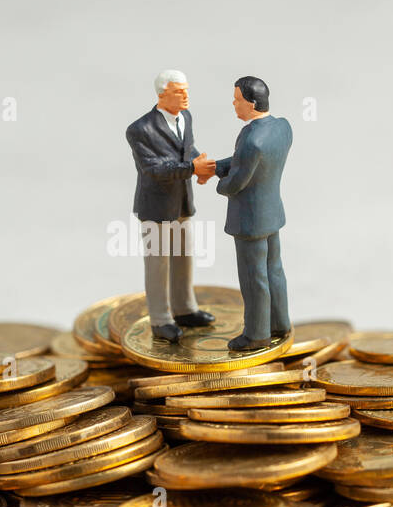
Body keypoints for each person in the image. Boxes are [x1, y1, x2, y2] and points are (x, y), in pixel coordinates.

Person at [124, 69, 217, 341]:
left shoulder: (186, 117)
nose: (186, 96)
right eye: (179, 91)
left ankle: (184, 309)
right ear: (162, 94)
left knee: (184, 258)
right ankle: (161, 320)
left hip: (182, 204)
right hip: (156, 209)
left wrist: (202, 166)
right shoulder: (140, 129)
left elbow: (187, 149)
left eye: (187, 90)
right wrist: (191, 167)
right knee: (157, 265)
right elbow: (153, 168)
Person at [206, 76, 292, 351]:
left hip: (250, 220)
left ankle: (257, 335)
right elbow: (250, 161)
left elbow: (237, 182)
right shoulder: (282, 128)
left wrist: (219, 182)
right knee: (274, 271)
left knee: (254, 277)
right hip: (272, 213)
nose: (234, 104)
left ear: (252, 104)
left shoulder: (251, 138)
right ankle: (280, 323)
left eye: (237, 100)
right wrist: (217, 165)